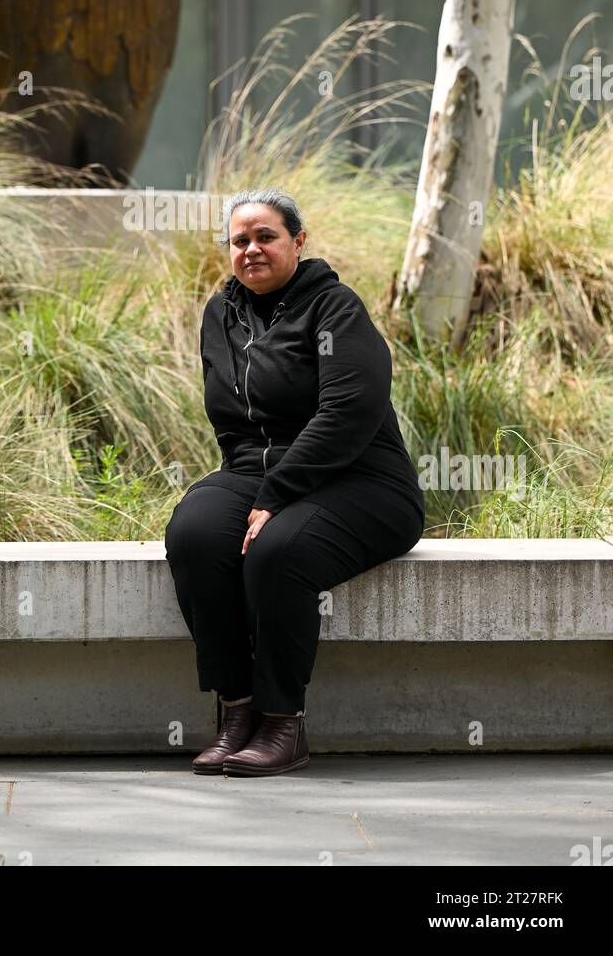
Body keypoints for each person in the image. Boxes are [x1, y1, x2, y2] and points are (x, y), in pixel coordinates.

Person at [164, 188, 425, 778]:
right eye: (239, 241)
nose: (251, 250)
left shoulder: (334, 308)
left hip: (363, 480)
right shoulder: (219, 314)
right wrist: (247, 488)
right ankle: (237, 711)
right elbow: (229, 420)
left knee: (277, 553)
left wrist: (276, 495)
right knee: (196, 536)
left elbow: (348, 414)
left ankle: (284, 723)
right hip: (257, 475)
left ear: (298, 242)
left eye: (266, 237)